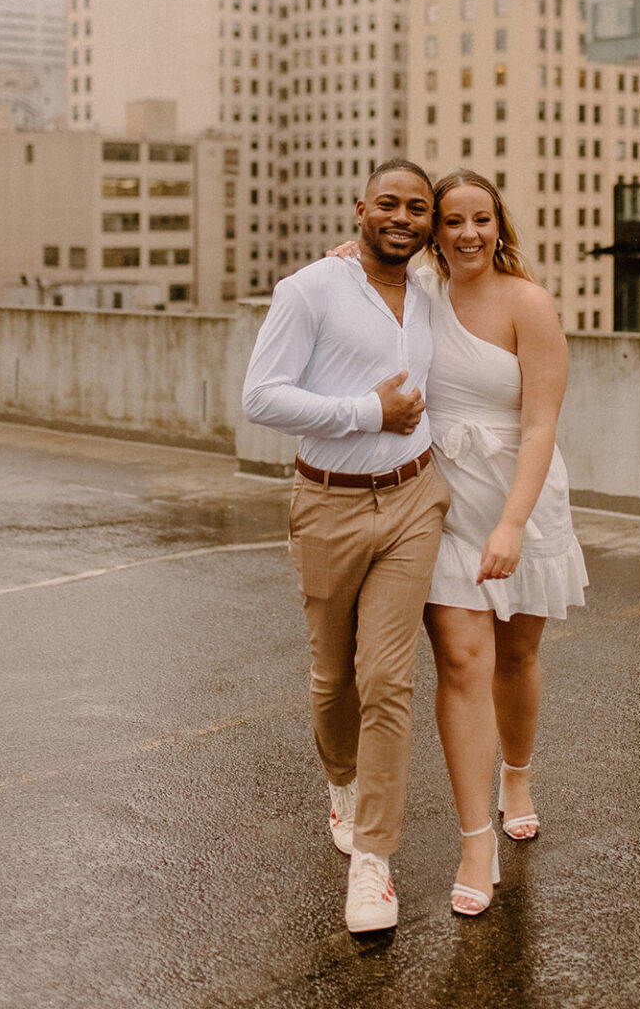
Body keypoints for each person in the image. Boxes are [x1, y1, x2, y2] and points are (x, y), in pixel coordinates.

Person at [330, 170, 587, 917]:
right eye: (453, 221)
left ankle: (518, 774)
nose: (468, 233)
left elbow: (541, 424)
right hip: (443, 503)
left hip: (522, 500)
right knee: (462, 664)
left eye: (482, 219)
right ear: (435, 232)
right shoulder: (418, 297)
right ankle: (477, 840)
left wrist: (512, 524)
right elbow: (363, 293)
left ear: (499, 225)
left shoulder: (528, 304)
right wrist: (350, 257)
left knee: (517, 654)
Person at [241, 159, 450, 935]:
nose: (403, 218)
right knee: (334, 677)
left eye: (417, 209)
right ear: (360, 209)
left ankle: (374, 859)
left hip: (413, 500)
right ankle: (342, 781)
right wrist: (368, 412)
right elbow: (261, 396)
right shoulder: (310, 289)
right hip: (327, 503)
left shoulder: (430, 292)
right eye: (388, 204)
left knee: (388, 679)